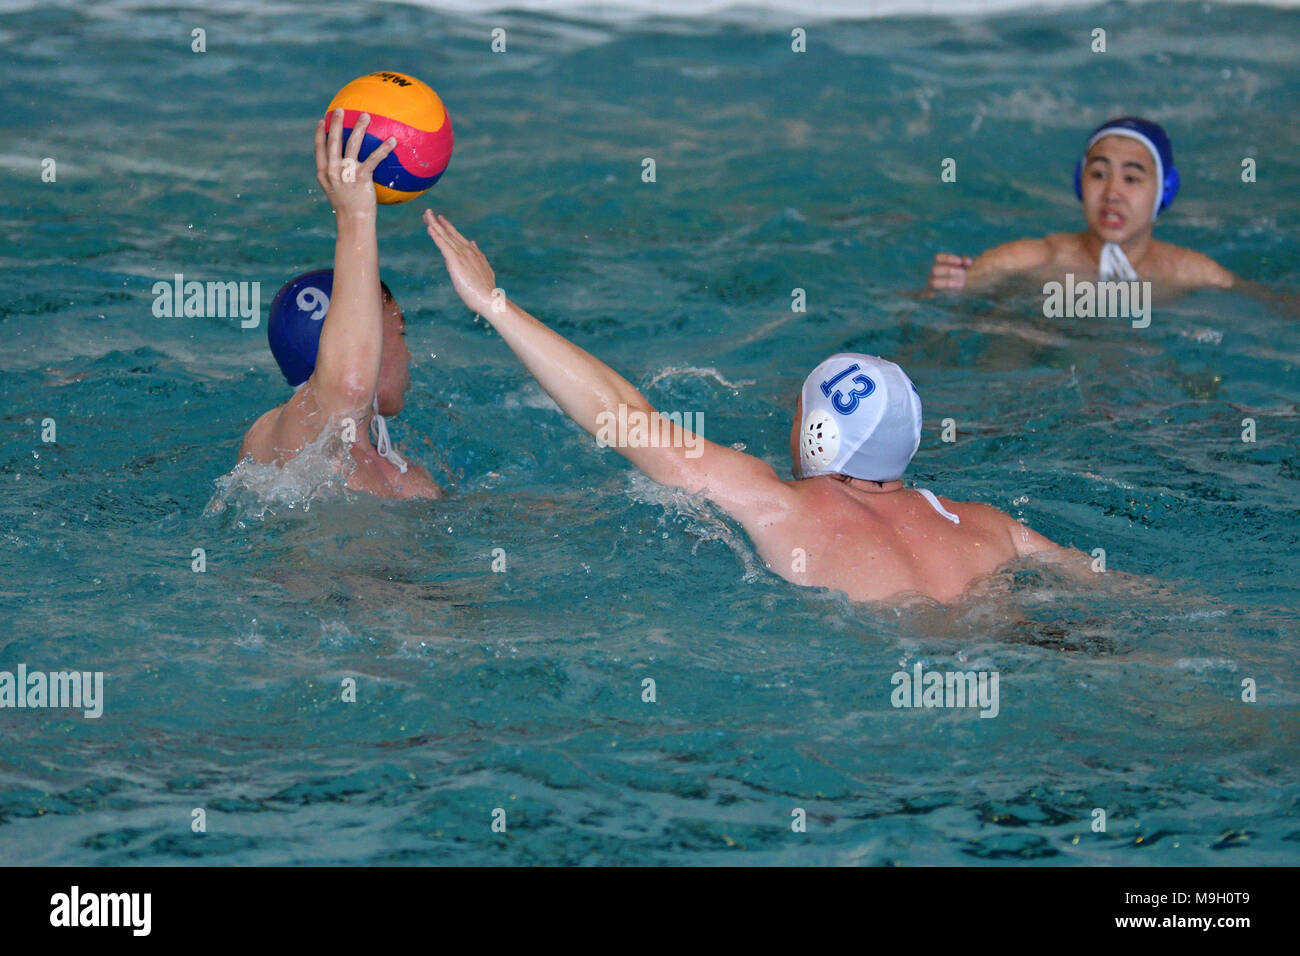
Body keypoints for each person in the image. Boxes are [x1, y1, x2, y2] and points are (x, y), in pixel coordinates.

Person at [425, 211, 1072, 603]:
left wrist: (493, 304)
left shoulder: (776, 502)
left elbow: (620, 416)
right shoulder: (992, 527)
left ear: (817, 434)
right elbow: (1117, 593)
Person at [238, 110, 440, 499]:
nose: (411, 353)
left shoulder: (407, 470)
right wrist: (355, 216)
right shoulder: (282, 438)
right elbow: (349, 387)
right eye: (400, 332)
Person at [926, 116, 1237, 295]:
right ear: (1080, 181)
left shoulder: (1193, 273)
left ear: (1165, 190)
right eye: (1099, 174)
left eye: (1131, 178)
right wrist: (943, 290)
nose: (1112, 193)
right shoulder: (1033, 258)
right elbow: (930, 313)